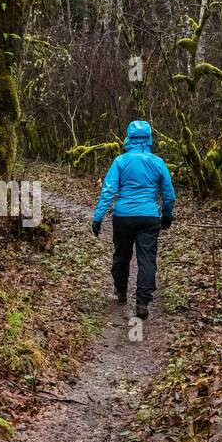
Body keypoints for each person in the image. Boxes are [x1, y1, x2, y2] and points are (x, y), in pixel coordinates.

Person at [91, 120, 176, 319]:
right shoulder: (157, 162)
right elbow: (169, 194)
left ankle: (121, 291)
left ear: (128, 138)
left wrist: (97, 217)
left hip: (123, 216)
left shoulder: (120, 161)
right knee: (147, 258)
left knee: (122, 254)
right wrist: (167, 216)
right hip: (149, 216)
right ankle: (142, 303)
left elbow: (109, 190)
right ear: (149, 139)